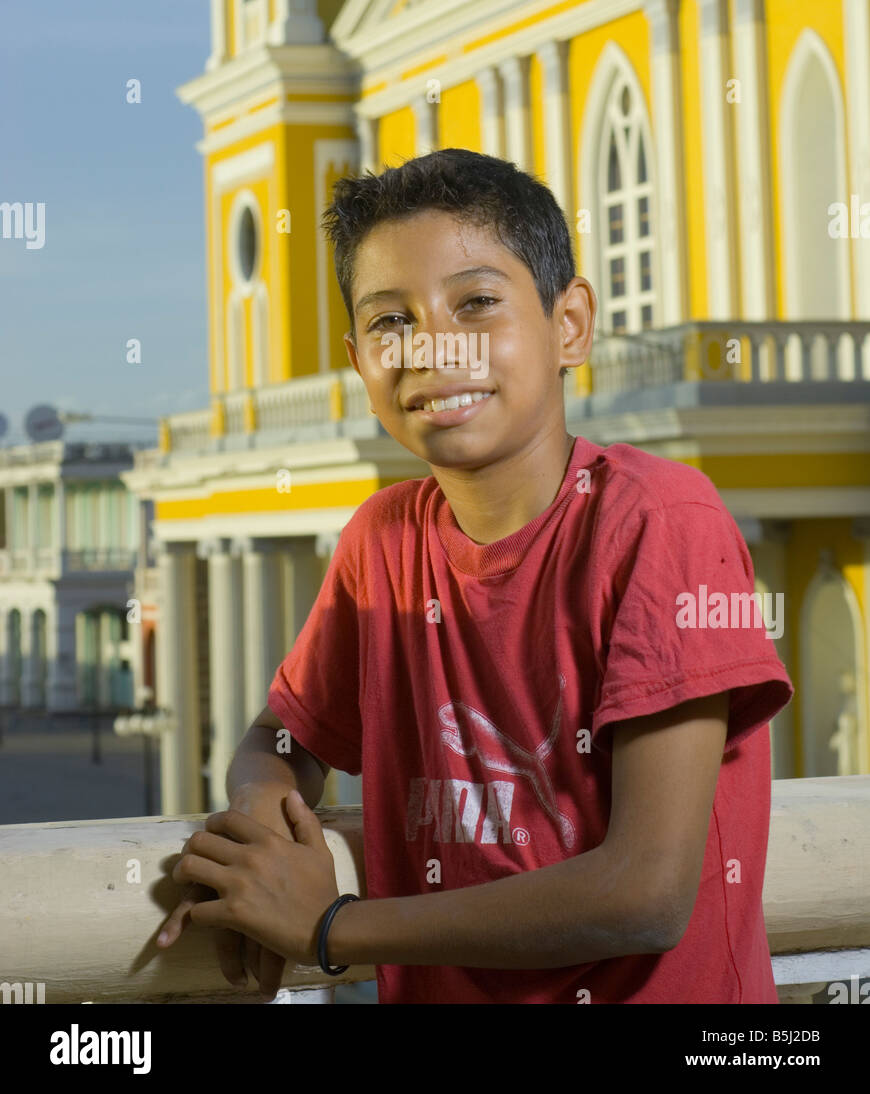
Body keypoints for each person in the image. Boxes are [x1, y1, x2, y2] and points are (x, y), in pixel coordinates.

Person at [158, 148, 793, 1004]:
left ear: (569, 325)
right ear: (359, 360)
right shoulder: (382, 544)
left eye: (478, 303)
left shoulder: (661, 523)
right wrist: (264, 819)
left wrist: (329, 924)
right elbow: (280, 738)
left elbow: (645, 892)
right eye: (392, 322)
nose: (433, 347)